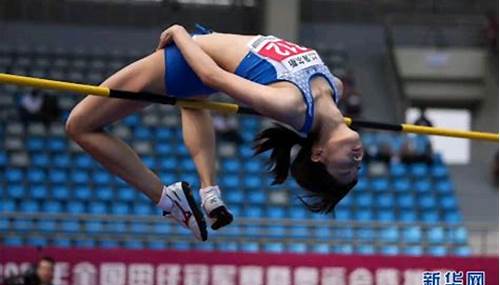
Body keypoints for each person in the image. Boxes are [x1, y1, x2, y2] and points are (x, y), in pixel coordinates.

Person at [65, 24, 363, 241]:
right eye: (357, 165)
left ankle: (166, 200)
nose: (357, 159)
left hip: (188, 59)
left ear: (318, 154)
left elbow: (212, 76)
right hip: (204, 53)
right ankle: (209, 192)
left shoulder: (290, 105)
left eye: (346, 167)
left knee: (80, 125)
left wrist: (182, 35)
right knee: (193, 103)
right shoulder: (334, 89)